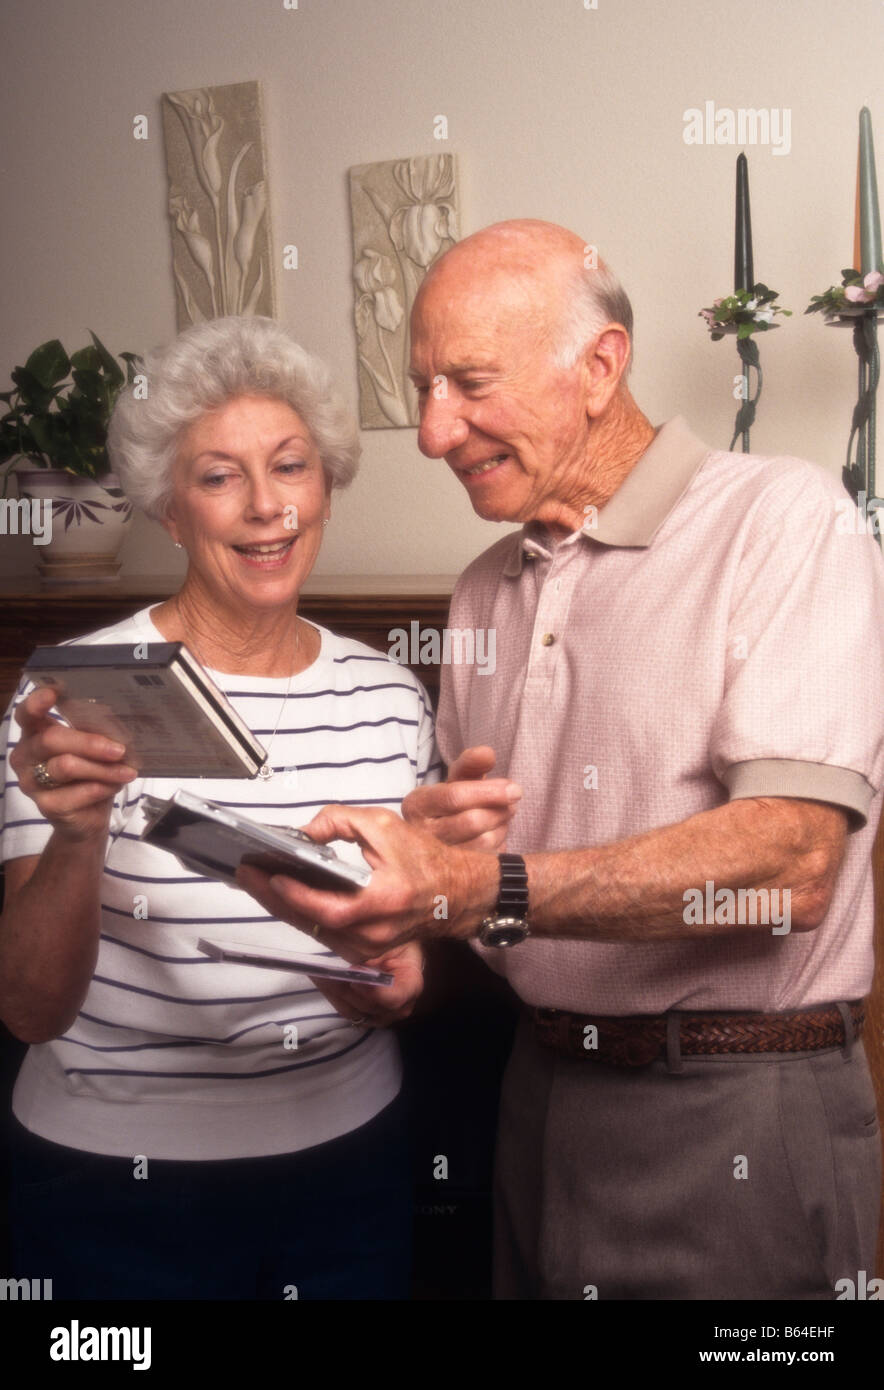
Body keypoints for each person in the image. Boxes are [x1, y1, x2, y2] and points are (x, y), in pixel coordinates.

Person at [238, 221, 884, 1301]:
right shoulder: (481, 588)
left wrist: (471, 884)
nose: (434, 430)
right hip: (534, 1095)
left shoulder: (784, 520)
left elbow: (788, 863)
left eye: (468, 383)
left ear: (599, 367)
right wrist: (416, 954)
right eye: (423, 387)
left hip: (738, 1107)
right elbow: (492, 903)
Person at [0, 314, 512, 1301]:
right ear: (169, 509)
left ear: (325, 484)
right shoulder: (76, 690)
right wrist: (78, 833)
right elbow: (28, 1007)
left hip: (347, 1167)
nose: (266, 507)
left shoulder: (387, 694)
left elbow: (422, 938)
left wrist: (417, 965)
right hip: (108, 1192)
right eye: (219, 475)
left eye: (290, 466)